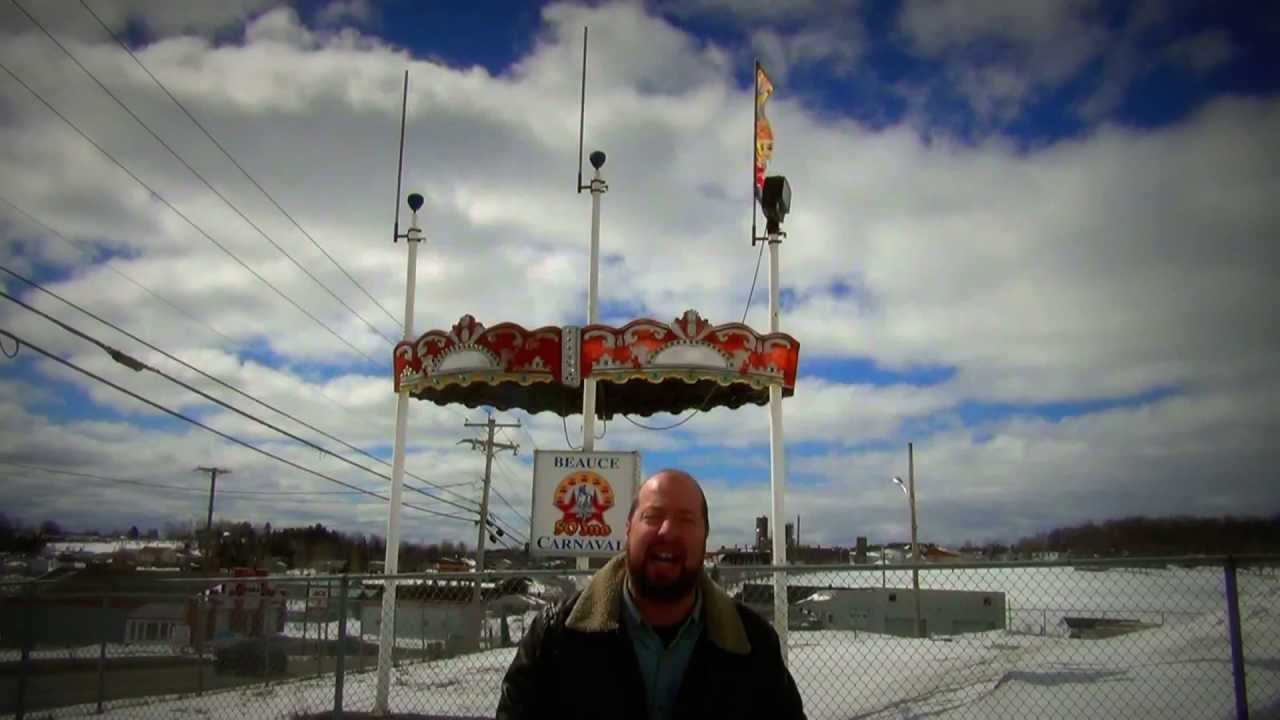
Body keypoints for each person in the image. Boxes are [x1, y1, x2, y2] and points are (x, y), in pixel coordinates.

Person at [497, 469, 806, 720]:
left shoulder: (753, 644)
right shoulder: (556, 635)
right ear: (628, 529)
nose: (668, 531)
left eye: (686, 519)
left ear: (705, 537)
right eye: (653, 516)